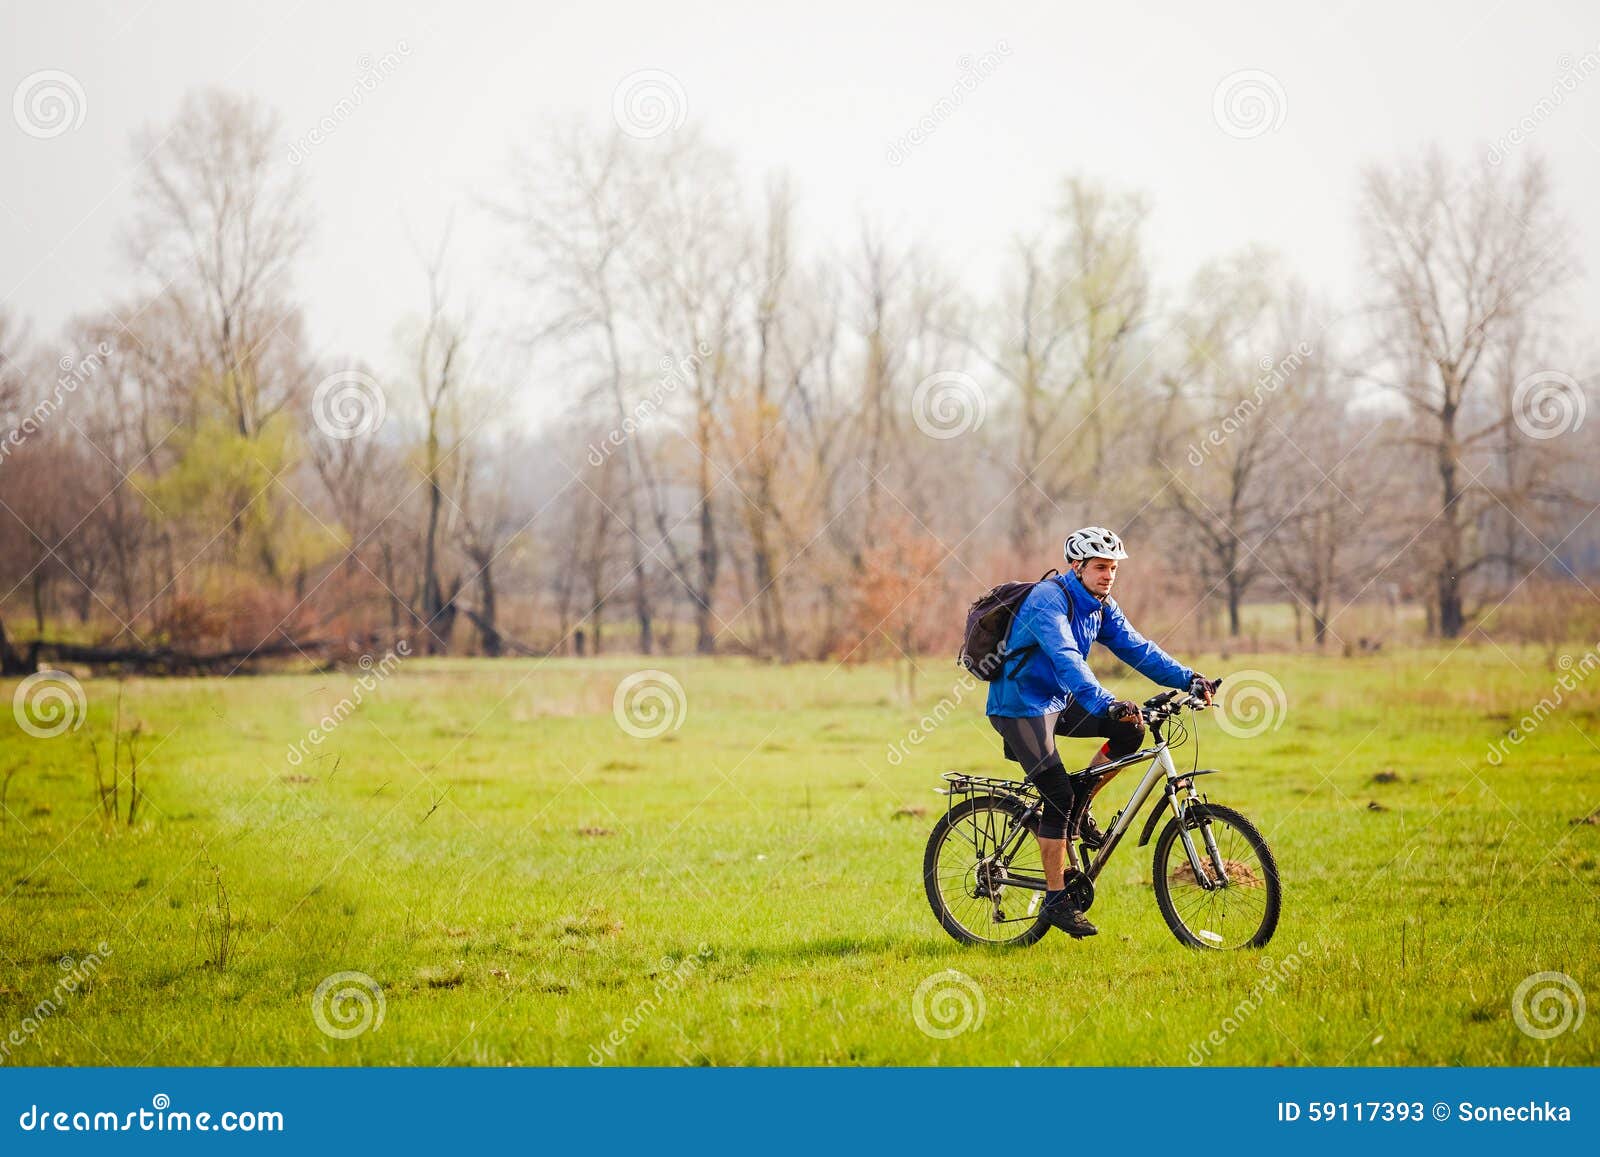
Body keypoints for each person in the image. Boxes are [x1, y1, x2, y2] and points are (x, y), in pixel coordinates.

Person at [986, 526, 1216, 939]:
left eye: (1113, 567)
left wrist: (1188, 679)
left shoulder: (1101, 605)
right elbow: (1067, 658)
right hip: (1020, 704)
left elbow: (1137, 648)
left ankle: (1081, 807)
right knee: (1056, 793)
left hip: (1060, 699)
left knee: (1131, 731)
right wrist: (1107, 700)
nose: (1109, 574)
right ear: (1077, 567)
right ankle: (1056, 898)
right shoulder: (1047, 600)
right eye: (1100, 567)